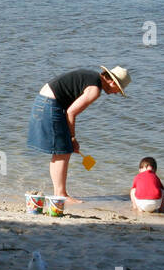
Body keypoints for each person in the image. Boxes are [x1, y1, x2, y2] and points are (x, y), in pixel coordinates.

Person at [26, 65, 130, 203]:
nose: (116, 93)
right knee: (63, 150)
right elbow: (71, 112)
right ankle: (61, 194)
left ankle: (59, 193)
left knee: (60, 151)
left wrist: (70, 138)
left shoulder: (92, 76)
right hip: (50, 104)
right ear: (112, 82)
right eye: (118, 90)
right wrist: (72, 138)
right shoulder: (95, 89)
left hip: (41, 101)